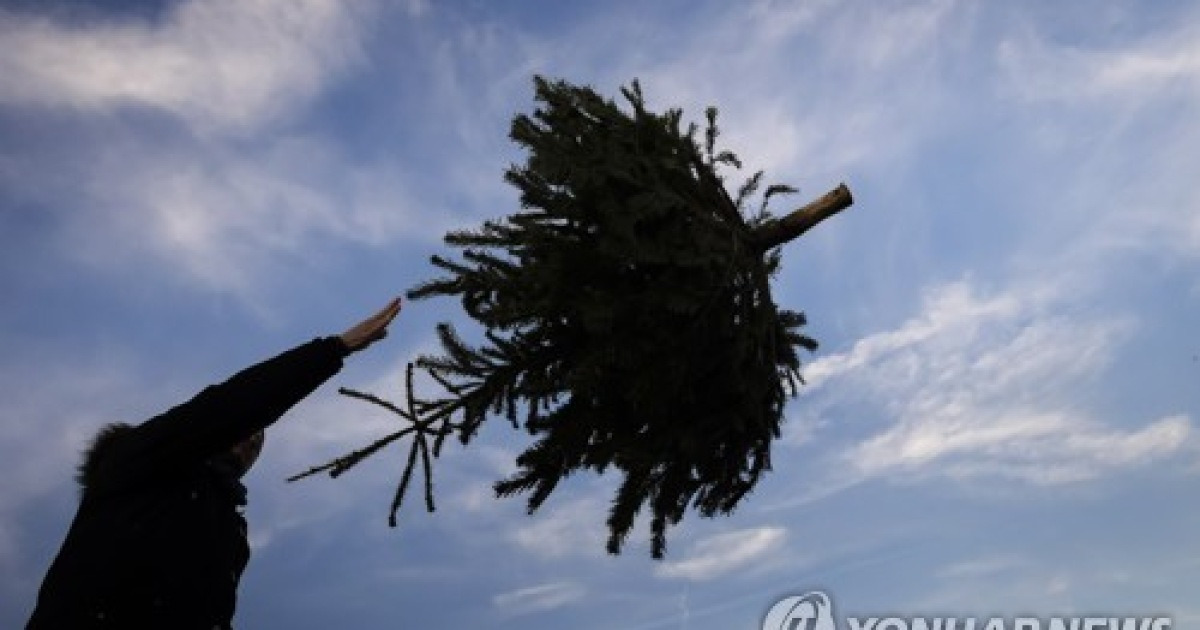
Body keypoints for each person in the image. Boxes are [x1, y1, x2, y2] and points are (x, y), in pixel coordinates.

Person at [26, 297, 404, 630]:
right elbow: (225, 408)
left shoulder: (229, 530)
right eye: (249, 430)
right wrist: (333, 350)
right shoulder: (139, 461)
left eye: (259, 442)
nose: (253, 441)